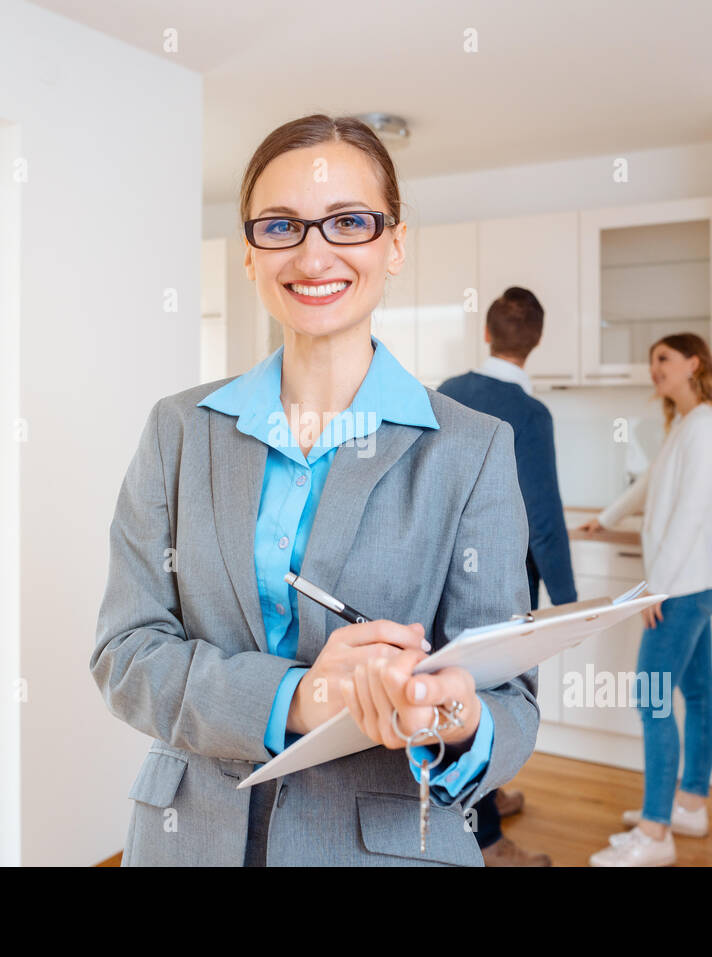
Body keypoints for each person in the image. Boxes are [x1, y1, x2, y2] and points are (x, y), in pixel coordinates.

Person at [90, 114, 539, 866]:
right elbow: (128, 655)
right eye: (281, 225)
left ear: (394, 244)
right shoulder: (176, 431)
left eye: (349, 222)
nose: (313, 252)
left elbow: (513, 705)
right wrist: (303, 696)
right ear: (249, 253)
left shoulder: (473, 449)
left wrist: (451, 712)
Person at [577, 333, 712, 866]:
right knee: (695, 692)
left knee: (651, 698)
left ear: (694, 363)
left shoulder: (707, 428)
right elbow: (649, 485)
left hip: (684, 586)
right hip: (693, 582)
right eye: (651, 361)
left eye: (663, 359)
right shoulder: (688, 425)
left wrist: (656, 585)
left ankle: (655, 833)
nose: (655, 369)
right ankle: (689, 805)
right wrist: (606, 519)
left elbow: (694, 515)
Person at [437, 286, 578, 866]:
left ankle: (486, 800)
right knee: (491, 695)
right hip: (504, 578)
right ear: (536, 342)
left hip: (442, 571)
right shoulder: (530, 414)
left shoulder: (445, 392)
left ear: (488, 334)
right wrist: (570, 606)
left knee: (461, 690)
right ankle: (487, 839)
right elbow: (543, 518)